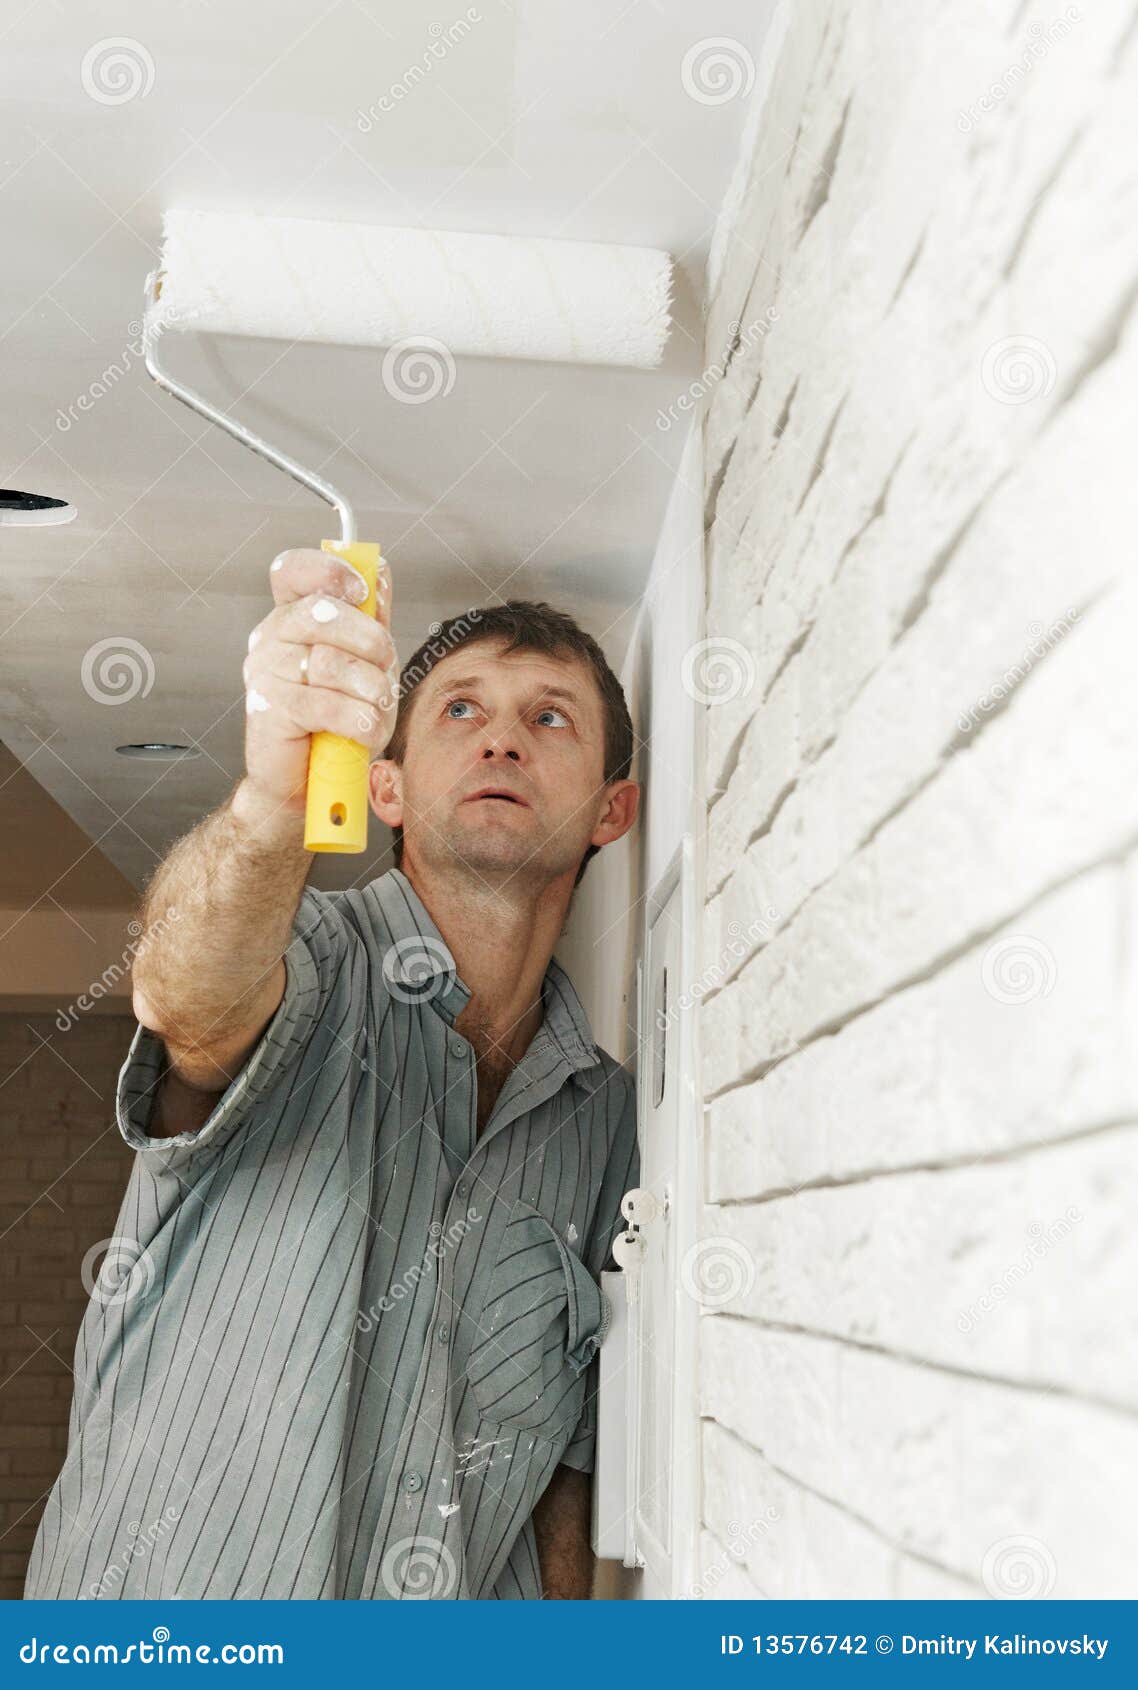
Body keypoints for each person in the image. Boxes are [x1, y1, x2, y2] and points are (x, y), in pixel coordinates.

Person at [24, 549, 641, 1601]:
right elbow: (187, 998)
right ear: (385, 786)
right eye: (458, 710)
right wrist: (274, 795)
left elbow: (566, 1472)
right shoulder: (302, 961)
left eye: (550, 719)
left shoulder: (609, 1119)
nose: (501, 735)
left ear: (609, 812)